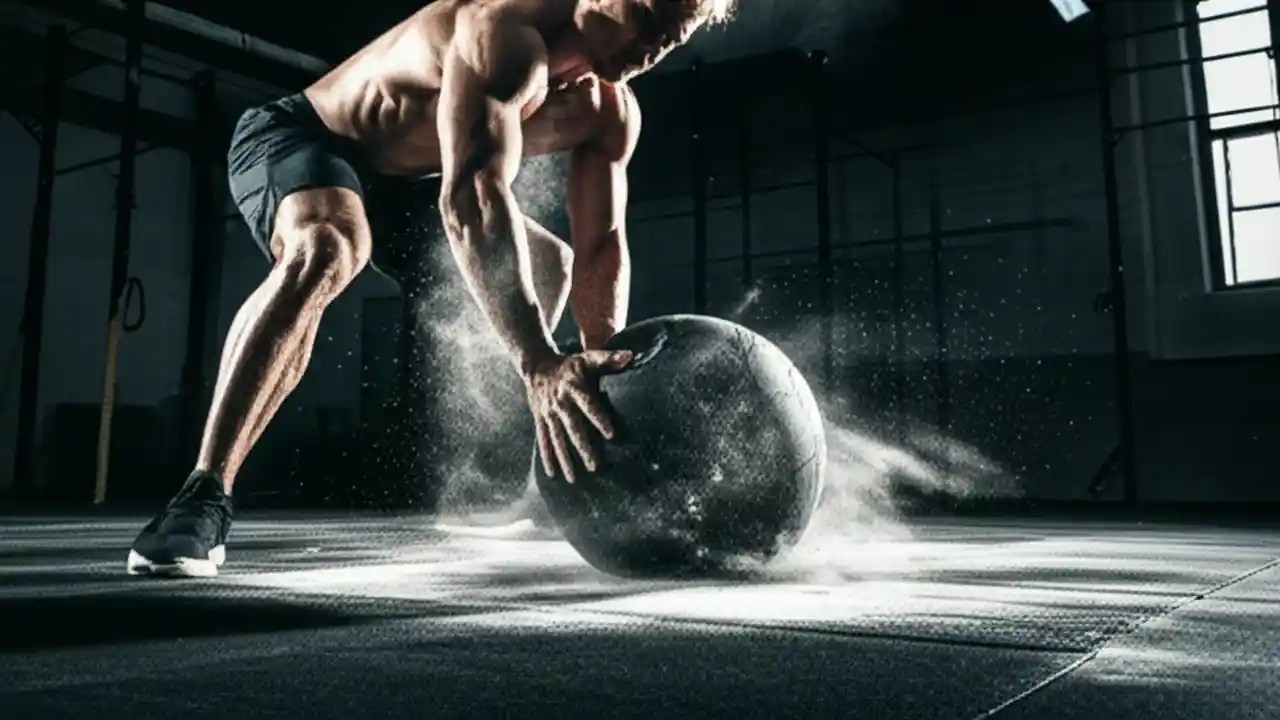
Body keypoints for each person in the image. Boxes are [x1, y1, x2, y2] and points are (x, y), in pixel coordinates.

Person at [126, 0, 735, 577]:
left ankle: (550, 481)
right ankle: (201, 496)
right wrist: (539, 362)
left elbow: (603, 244)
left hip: (408, 184)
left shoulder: (610, 112)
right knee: (331, 248)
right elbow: (472, 198)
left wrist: (602, 385)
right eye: (647, 18)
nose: (648, 49)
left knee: (552, 263)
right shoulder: (501, 35)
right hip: (305, 139)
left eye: (668, 39)